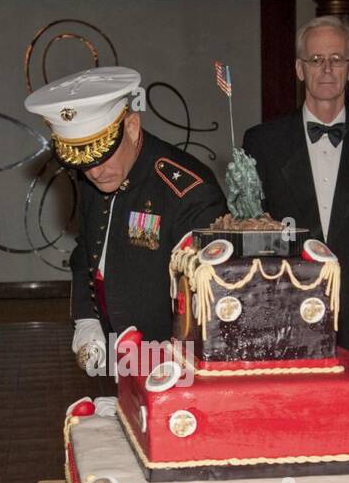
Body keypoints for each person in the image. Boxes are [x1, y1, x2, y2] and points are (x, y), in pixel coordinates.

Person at [25, 66, 226, 372]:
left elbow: (207, 301)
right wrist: (87, 318)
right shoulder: (98, 174)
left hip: (169, 362)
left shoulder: (188, 191)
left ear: (131, 127)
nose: (94, 173)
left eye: (102, 156)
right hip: (116, 353)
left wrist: (159, 368)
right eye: (84, 163)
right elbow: (86, 252)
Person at [243, 15, 349, 362]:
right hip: (284, 312)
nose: (326, 69)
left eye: (336, 59)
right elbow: (251, 240)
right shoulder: (262, 143)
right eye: (316, 60)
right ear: (299, 69)